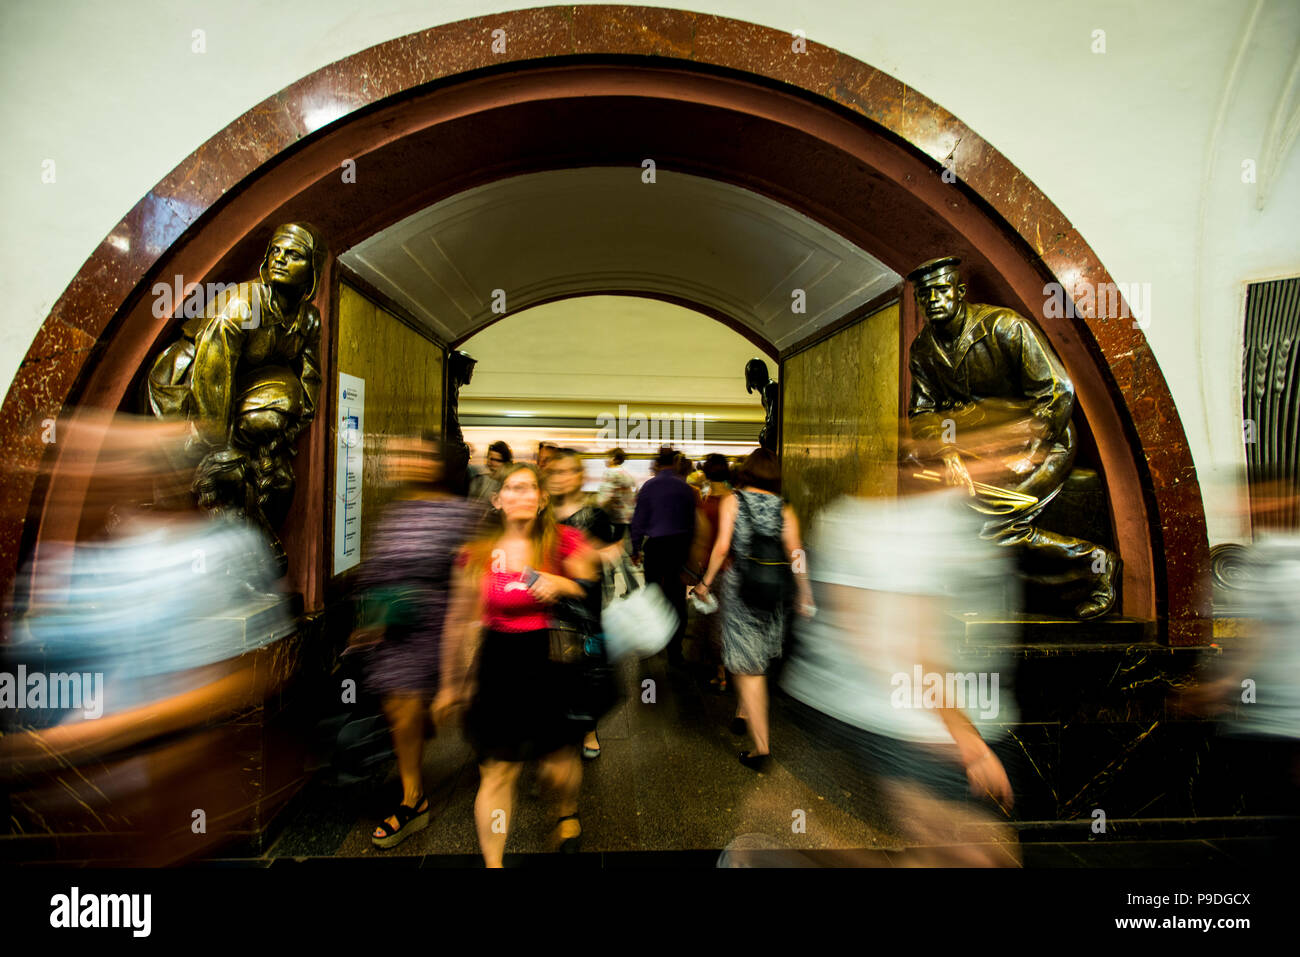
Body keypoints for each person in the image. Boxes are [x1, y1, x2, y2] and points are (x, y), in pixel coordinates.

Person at [905, 255, 1119, 618]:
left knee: (989, 526)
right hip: (975, 448)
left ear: (959, 292)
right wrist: (947, 453)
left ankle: (1094, 566)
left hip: (1043, 443)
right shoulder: (923, 350)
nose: (933, 301)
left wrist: (1025, 450)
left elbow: (1056, 391)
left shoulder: (1004, 327)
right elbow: (921, 413)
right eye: (925, 296)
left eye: (941, 291)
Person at [434, 463, 599, 866]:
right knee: (497, 769)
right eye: (513, 488)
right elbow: (458, 618)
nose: (522, 495)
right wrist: (452, 683)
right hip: (498, 660)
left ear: (542, 500)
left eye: (530, 489)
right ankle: (494, 864)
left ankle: (566, 810)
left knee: (559, 763)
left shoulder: (564, 541)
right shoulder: (476, 552)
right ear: (498, 499)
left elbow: (590, 588)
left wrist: (560, 583)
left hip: (550, 658)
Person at [354, 434, 483, 849]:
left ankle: (493, 762)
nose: (402, 460)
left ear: (435, 464)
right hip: (397, 630)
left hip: (444, 627)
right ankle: (414, 796)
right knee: (400, 707)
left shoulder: (463, 515)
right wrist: (372, 619)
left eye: (414, 454)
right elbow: (377, 569)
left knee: (457, 704)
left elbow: (473, 581)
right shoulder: (394, 513)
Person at [693, 448, 812, 770]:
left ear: (748, 471)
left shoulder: (735, 500)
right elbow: (796, 551)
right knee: (754, 657)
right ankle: (743, 713)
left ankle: (761, 749)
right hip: (774, 592)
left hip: (741, 590)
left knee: (748, 668)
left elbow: (721, 548)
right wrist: (805, 592)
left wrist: (704, 583)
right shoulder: (784, 507)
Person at [545, 449, 621, 759]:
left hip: (584, 610)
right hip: (546, 605)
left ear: (580, 476)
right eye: (554, 472)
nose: (560, 478)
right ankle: (556, 729)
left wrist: (586, 555)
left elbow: (610, 556)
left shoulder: (595, 517)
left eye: (567, 471)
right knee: (552, 671)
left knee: (586, 671)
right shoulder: (541, 515)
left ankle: (589, 730)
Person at [629, 447, 697, 664]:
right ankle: (675, 651)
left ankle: (652, 642)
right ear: (676, 463)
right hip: (679, 547)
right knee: (677, 598)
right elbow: (693, 523)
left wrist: (635, 548)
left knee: (653, 595)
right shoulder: (685, 488)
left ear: (658, 464)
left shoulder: (649, 486)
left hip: (656, 548)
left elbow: (638, 521)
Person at [696, 453, 734, 692]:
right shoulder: (735, 499)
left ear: (707, 473)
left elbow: (702, 538)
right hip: (732, 568)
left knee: (714, 622)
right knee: (727, 621)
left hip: (712, 568)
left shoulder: (705, 501)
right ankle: (728, 671)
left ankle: (720, 673)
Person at [595, 447, 636, 543]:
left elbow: (605, 495)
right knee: (632, 539)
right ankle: (636, 554)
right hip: (629, 512)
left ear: (615, 459)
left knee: (615, 539)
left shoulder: (611, 473)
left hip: (617, 514)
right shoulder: (624, 472)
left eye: (608, 457)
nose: (605, 460)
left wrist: (597, 507)